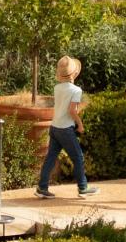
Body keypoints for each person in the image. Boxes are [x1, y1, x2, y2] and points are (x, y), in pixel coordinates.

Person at [35, 56, 98, 199]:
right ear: (75, 73)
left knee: (50, 157)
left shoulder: (57, 88)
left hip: (55, 127)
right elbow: (72, 111)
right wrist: (80, 124)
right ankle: (83, 188)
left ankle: (42, 187)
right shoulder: (76, 90)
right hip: (65, 129)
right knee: (78, 157)